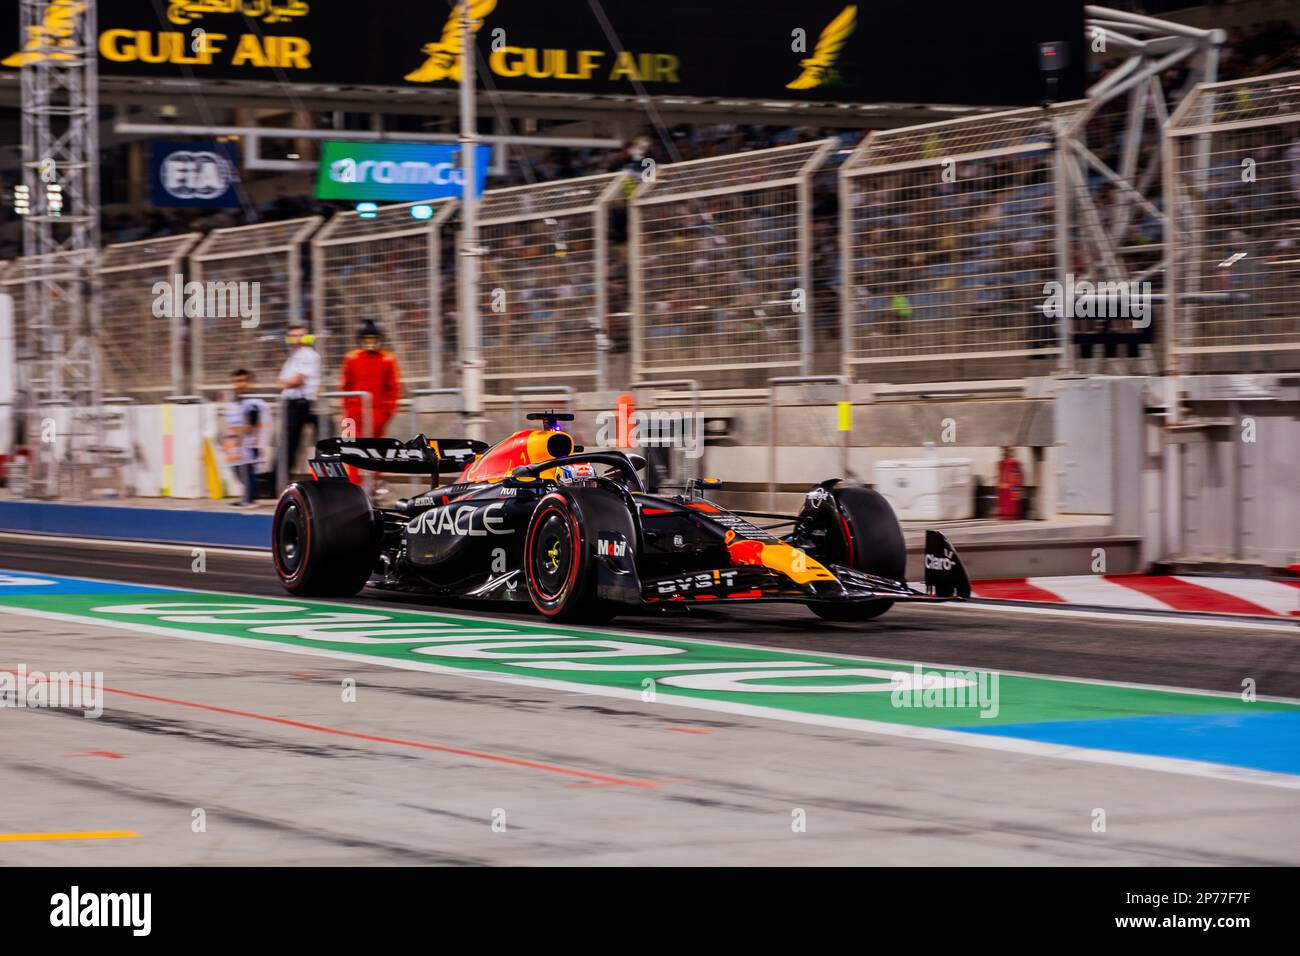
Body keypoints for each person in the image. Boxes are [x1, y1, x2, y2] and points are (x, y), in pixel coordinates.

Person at [339, 319, 402, 484]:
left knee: (376, 452)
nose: (370, 342)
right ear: (361, 340)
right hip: (355, 415)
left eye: (373, 339)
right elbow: (346, 386)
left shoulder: (387, 360)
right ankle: (353, 486)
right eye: (367, 339)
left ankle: (374, 486)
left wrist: (386, 413)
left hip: (377, 414)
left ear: (379, 339)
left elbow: (393, 388)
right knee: (352, 451)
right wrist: (349, 409)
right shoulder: (352, 359)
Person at [276, 323, 321, 481]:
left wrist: (285, 383)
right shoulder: (293, 357)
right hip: (291, 403)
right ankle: (279, 478)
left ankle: (279, 479)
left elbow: (297, 380)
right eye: (294, 336)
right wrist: (285, 382)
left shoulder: (308, 355)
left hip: (301, 403)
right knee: (288, 443)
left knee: (291, 443)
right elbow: (282, 380)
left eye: (300, 335)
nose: (297, 339)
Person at [225, 369, 268, 508]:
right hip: (235, 446)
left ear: (250, 383)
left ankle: (249, 499)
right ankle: (247, 496)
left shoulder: (253, 403)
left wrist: (248, 435)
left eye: (243, 381)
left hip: (249, 444)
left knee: (248, 470)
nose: (239, 385)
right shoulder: (234, 402)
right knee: (237, 470)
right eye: (236, 381)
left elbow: (252, 425)